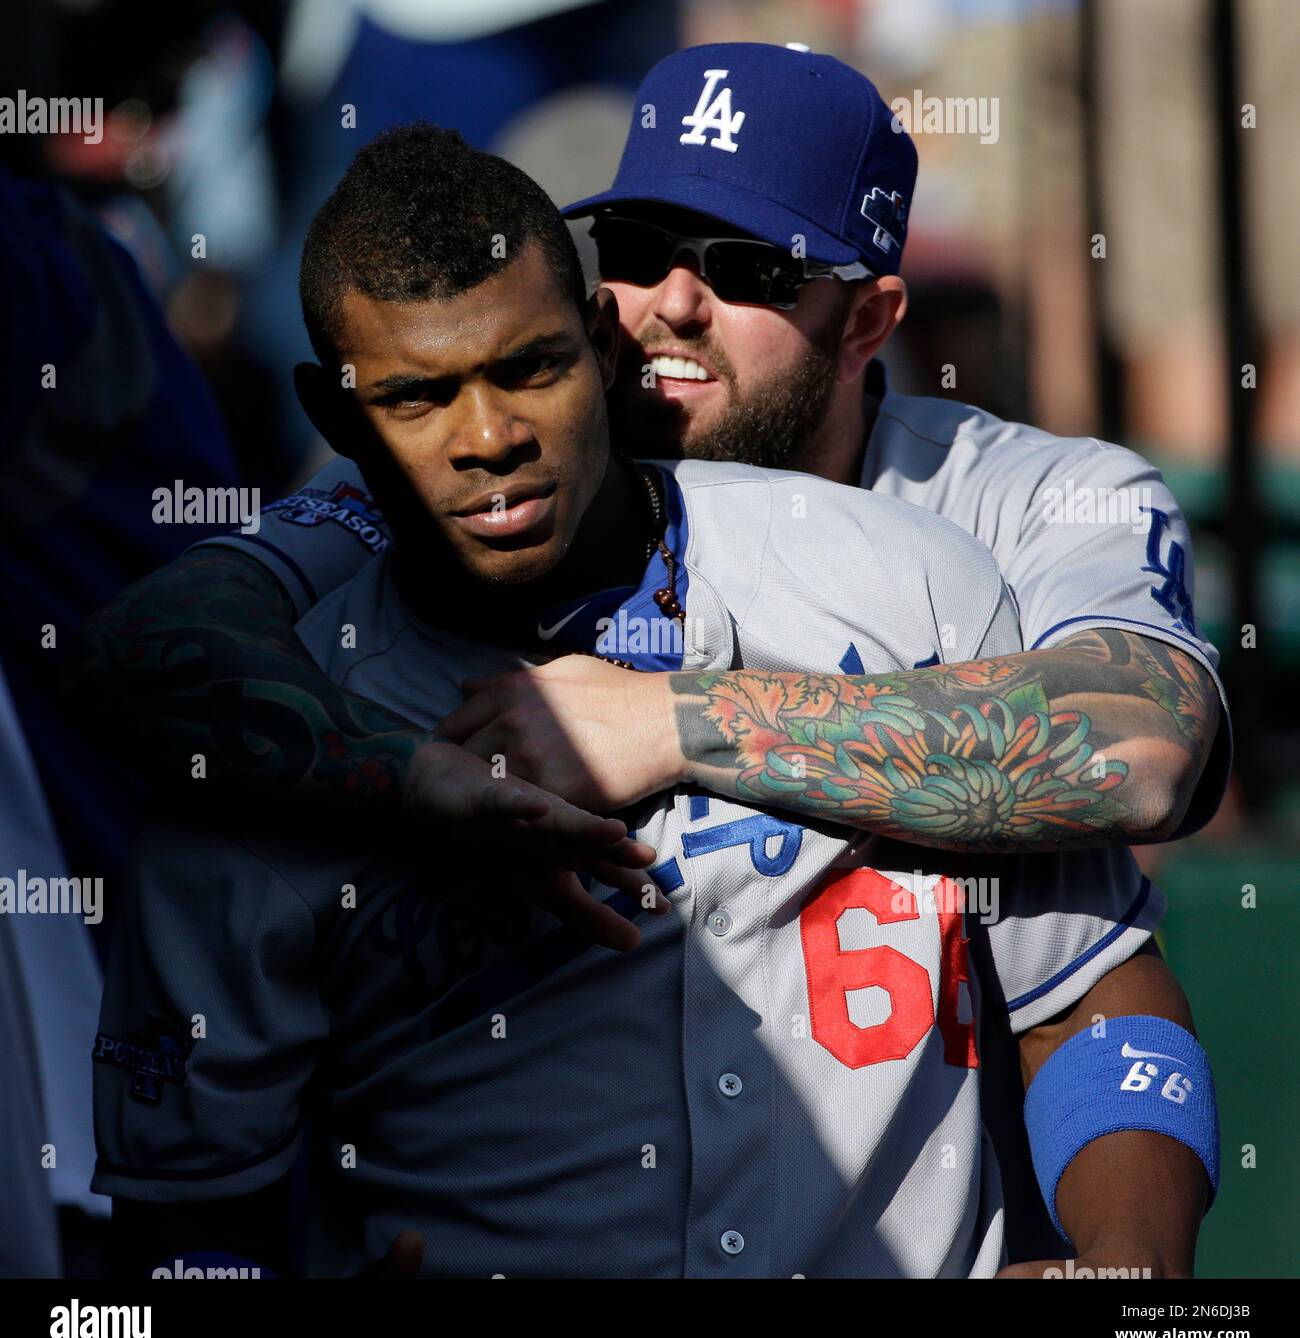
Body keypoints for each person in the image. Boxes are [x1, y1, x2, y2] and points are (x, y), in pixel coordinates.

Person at [92, 123, 1216, 1279]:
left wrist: (1128, 1271)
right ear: (334, 419)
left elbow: (1081, 987)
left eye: (529, 367)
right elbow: (180, 1232)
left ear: (598, 342)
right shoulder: (257, 747)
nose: (489, 438)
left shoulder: (899, 577)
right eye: (419, 398)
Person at [76, 41, 1228, 868]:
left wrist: (670, 722)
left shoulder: (1035, 493)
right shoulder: (518, 465)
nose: (670, 302)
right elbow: (148, 649)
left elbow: (1145, 748)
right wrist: (402, 774)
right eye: (635, 244)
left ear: (868, 322)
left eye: (748, 269)